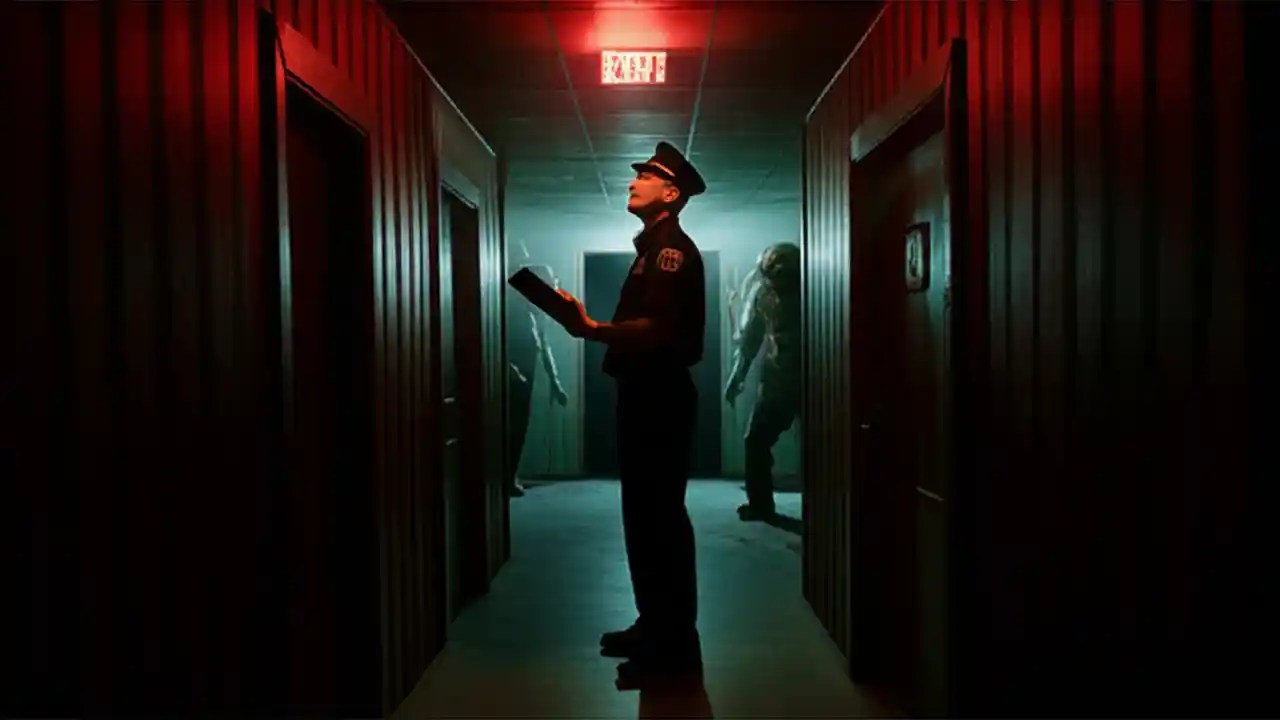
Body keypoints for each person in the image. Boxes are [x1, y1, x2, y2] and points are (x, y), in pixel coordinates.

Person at [555, 141, 707, 685]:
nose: (632, 181)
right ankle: (654, 627)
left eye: (646, 176)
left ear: (670, 193)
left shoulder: (670, 251)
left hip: (659, 396)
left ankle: (674, 651)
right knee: (643, 521)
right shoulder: (652, 247)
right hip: (646, 394)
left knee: (659, 523)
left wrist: (592, 329)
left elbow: (659, 331)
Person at [724, 242, 801, 521]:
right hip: (778, 382)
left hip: (811, 380)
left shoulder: (811, 292)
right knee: (756, 441)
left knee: (820, 446)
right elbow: (750, 339)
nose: (778, 277)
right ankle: (760, 505)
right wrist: (737, 377)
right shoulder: (762, 294)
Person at [506, 264, 569, 497]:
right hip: (509, 379)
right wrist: (509, 369)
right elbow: (493, 340)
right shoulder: (510, 307)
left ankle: (510, 475)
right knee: (506, 428)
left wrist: (555, 383)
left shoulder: (538, 312)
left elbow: (544, 345)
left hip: (526, 377)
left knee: (520, 427)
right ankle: (503, 478)